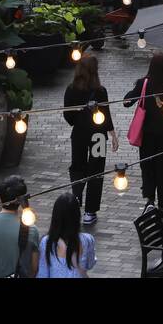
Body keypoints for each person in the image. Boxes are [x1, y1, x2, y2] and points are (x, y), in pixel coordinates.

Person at [122, 51, 163, 221]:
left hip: (148, 137)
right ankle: (162, 206)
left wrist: (132, 96)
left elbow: (127, 101)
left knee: (149, 168)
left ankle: (150, 199)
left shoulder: (144, 84)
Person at [63, 54, 118, 225]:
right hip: (98, 136)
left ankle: (77, 199)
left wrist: (79, 117)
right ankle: (90, 211)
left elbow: (68, 117)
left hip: (79, 134)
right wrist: (113, 134)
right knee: (97, 171)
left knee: (77, 167)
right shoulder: (100, 91)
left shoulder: (71, 90)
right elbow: (106, 115)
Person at [37, 193, 97, 278]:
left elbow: (43, 274)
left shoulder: (47, 242)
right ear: (77, 215)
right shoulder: (87, 240)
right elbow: (90, 264)